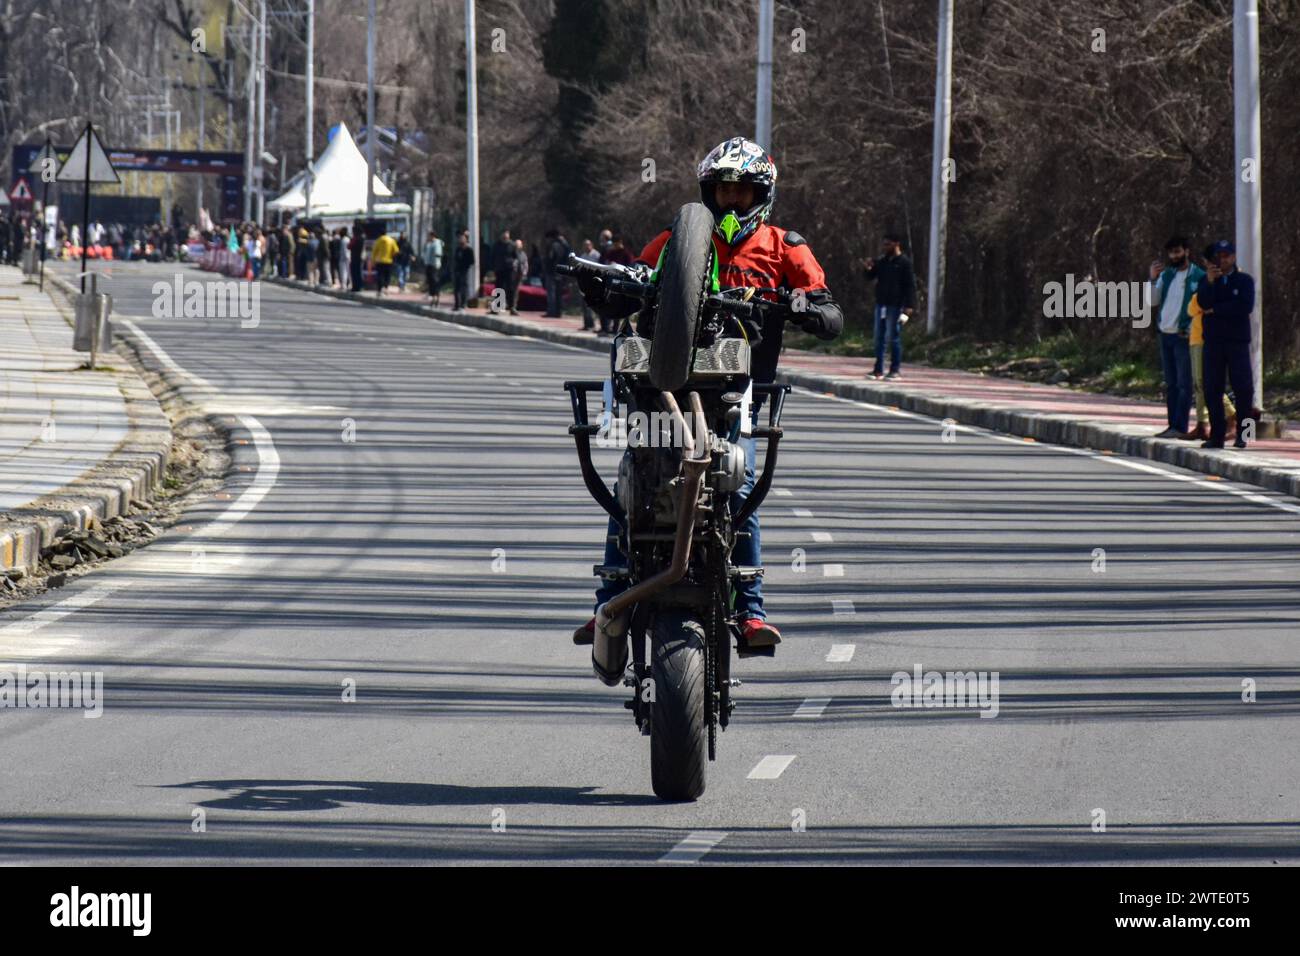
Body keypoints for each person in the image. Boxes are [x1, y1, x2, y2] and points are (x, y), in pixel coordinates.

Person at [571, 135, 843, 651]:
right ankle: (607, 601)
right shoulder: (681, 237)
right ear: (708, 194)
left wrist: (804, 307)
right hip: (664, 390)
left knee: (737, 484)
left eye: (742, 193)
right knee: (633, 478)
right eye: (722, 192)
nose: (731, 202)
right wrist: (601, 286)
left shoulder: (787, 245)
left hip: (737, 394)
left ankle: (751, 611)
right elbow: (636, 278)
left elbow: (829, 310)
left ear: (761, 194)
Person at [1196, 239, 1258, 450]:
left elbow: (1244, 306)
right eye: (1219, 256)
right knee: (1212, 388)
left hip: (1237, 341)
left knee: (1244, 389)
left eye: (1226, 256)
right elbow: (1203, 304)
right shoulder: (1207, 281)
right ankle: (1217, 435)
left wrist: (1217, 310)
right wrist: (1211, 283)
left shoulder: (1244, 280)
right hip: (1213, 341)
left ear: (1233, 257)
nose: (1222, 260)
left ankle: (1246, 434)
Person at [1147, 236, 1203, 439]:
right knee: (1171, 384)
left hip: (1184, 336)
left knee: (1184, 384)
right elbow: (1151, 301)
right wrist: (1152, 279)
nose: (1174, 256)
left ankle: (1180, 426)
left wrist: (1189, 328)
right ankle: (1172, 424)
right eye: (1171, 253)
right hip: (1166, 334)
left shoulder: (1199, 276)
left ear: (1187, 251)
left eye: (1178, 252)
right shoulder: (1167, 276)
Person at [862, 233, 916, 380]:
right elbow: (870, 276)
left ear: (896, 244)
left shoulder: (904, 262)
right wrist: (868, 268)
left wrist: (909, 306)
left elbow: (910, 285)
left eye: (888, 244)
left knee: (893, 337)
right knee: (879, 338)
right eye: (884, 244)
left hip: (896, 305)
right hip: (881, 305)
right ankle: (878, 369)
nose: (885, 247)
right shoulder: (882, 261)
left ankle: (895, 369)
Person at [542, 228, 572, 317]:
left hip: (552, 272)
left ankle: (551, 311)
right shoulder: (565, 244)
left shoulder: (554, 245)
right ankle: (558, 311)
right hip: (561, 271)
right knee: (558, 293)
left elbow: (552, 259)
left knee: (552, 293)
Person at [490, 229, 519, 314]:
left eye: (506, 234)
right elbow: (493, 257)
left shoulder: (512, 245)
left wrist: (514, 265)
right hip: (499, 269)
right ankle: (497, 307)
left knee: (511, 289)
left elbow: (516, 257)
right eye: (503, 234)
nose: (505, 236)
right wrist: (493, 268)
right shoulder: (497, 245)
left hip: (509, 270)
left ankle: (512, 307)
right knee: (499, 289)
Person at [578, 238, 602, 330]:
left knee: (593, 305)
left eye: (588, 245)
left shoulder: (596, 255)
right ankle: (586, 324)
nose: (586, 247)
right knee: (584, 304)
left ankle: (594, 324)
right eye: (584, 245)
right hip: (585, 282)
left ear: (591, 245)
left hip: (594, 282)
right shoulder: (583, 256)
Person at [370, 228, 398, 295]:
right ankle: (386, 288)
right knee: (387, 276)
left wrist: (373, 261)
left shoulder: (378, 240)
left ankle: (379, 290)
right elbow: (396, 251)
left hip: (380, 261)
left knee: (380, 275)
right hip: (389, 261)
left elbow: (374, 252)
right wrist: (391, 256)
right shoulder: (391, 240)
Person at [452, 230, 475, 311]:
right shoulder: (458, 249)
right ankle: (456, 305)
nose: (460, 240)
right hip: (457, 270)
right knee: (456, 288)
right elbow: (455, 259)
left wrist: (464, 265)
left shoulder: (469, 250)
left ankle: (463, 304)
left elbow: (471, 261)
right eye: (459, 238)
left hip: (464, 270)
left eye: (462, 238)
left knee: (463, 287)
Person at [422, 230, 444, 303]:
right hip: (429, 264)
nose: (428, 237)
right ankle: (431, 295)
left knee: (434, 281)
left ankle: (435, 295)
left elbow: (438, 254)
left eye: (429, 236)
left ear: (432, 236)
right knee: (430, 281)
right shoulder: (429, 243)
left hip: (434, 265)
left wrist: (436, 263)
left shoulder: (436, 243)